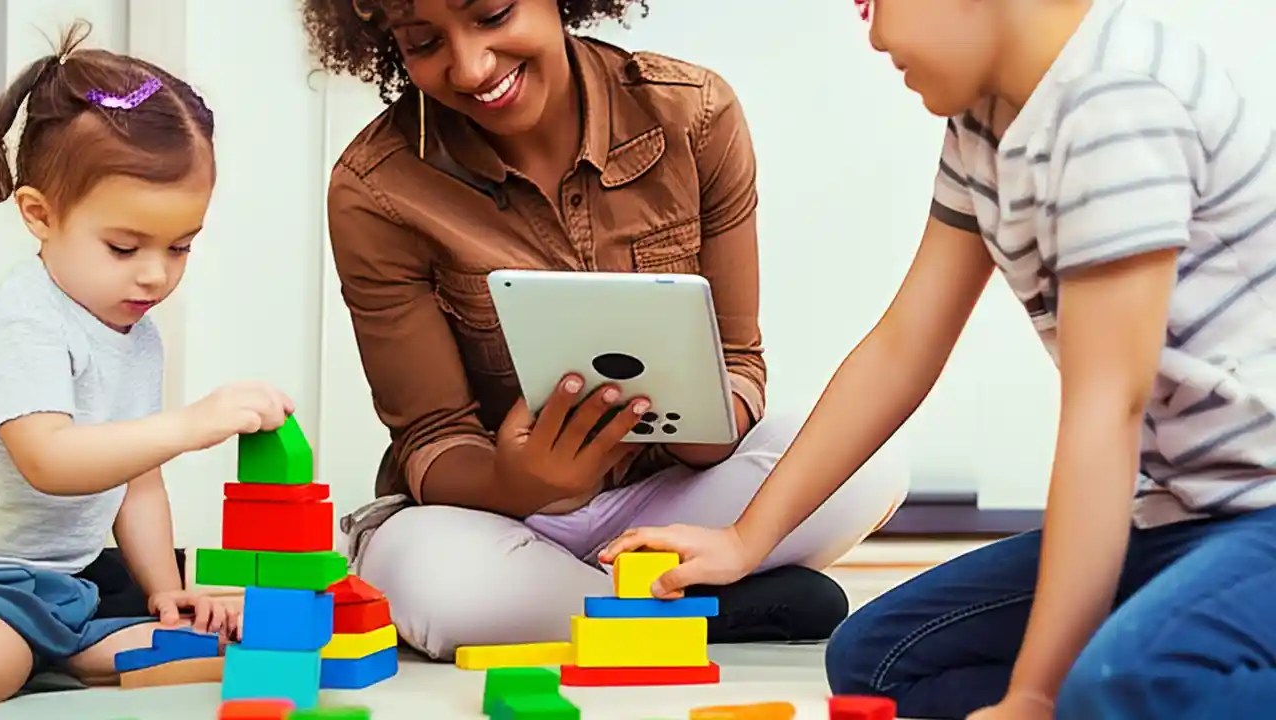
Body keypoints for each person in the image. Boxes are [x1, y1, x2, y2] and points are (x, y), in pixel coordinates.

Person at [603, 0, 1276, 717]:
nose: (873, 33)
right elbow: (904, 345)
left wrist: (1034, 695)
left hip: (1262, 511)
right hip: (1181, 517)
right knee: (878, 659)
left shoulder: (1116, 102)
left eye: (872, 3)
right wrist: (745, 538)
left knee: (1115, 689)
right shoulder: (989, 122)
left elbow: (1107, 411)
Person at [301, 0, 910, 661]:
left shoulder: (695, 115)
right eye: (423, 44)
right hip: (497, 523)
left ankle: (610, 601)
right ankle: (700, 609)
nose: (472, 68)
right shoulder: (377, 189)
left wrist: (711, 427)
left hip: (670, 499)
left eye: (494, 14)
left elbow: (739, 362)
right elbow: (431, 436)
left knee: (868, 465)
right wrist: (521, 483)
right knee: (428, 579)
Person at [0, 22, 295, 701]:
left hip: (73, 588)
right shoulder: (25, 316)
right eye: (125, 248)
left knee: (226, 648)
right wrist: (192, 425)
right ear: (40, 216)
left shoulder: (134, 329)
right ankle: (44, 657)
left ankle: (67, 656)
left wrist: (168, 592)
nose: (155, 277)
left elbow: (139, 483)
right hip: (1, 581)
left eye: (180, 247)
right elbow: (49, 459)